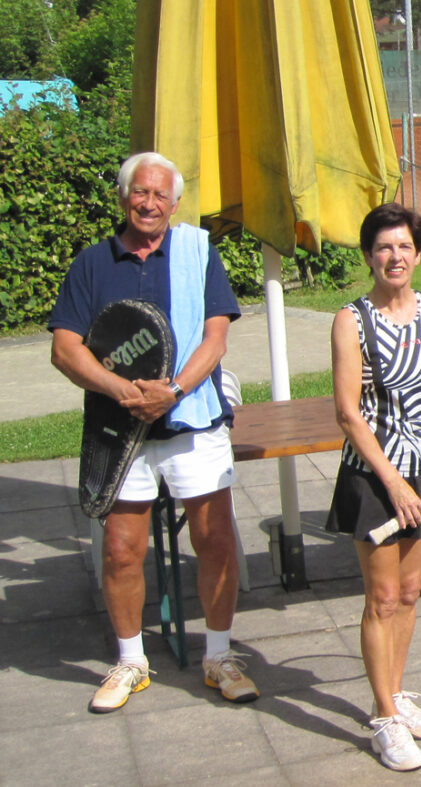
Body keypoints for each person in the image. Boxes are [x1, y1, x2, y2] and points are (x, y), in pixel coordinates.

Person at [49, 151, 257, 713]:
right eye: (140, 193)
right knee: (121, 550)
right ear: (122, 197)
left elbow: (216, 337)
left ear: (175, 202)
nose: (149, 203)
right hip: (121, 431)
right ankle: (131, 661)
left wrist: (176, 391)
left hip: (193, 421)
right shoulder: (92, 264)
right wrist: (121, 390)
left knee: (214, 540)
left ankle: (219, 657)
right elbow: (64, 348)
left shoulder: (197, 252)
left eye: (160, 195)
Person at [329, 204, 421, 771]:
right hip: (376, 477)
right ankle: (384, 718)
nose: (395, 257)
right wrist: (395, 485)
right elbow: (347, 414)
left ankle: (397, 696)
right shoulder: (350, 320)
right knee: (381, 599)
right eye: (384, 248)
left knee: (410, 594)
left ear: (418, 253)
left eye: (404, 247)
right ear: (368, 257)